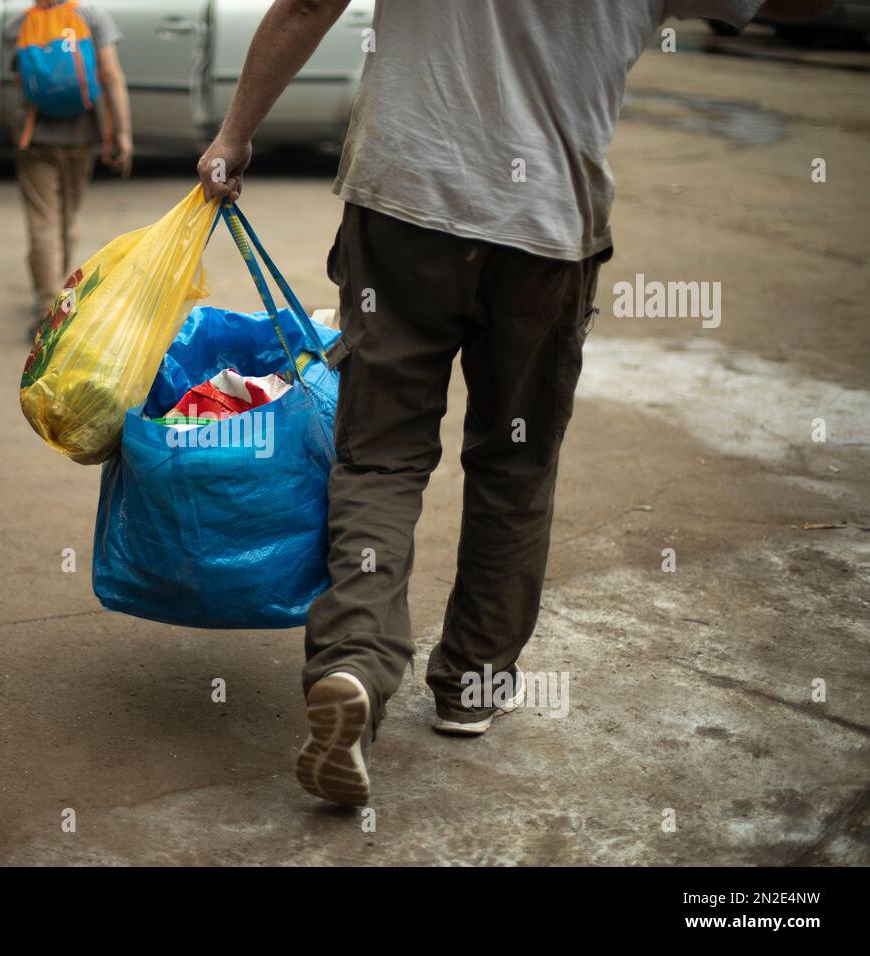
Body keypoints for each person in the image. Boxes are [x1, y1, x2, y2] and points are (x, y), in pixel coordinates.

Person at [196, 0, 828, 807]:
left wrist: (235, 132)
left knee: (380, 457)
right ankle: (473, 685)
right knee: (515, 465)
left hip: (405, 206)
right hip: (547, 231)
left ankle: (354, 663)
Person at [5, 0, 132, 334]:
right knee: (67, 216)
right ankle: (60, 301)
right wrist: (122, 133)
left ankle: (47, 309)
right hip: (82, 134)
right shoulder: (91, 15)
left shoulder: (19, 23)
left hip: (35, 136)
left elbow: (22, 84)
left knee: (43, 220)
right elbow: (111, 76)